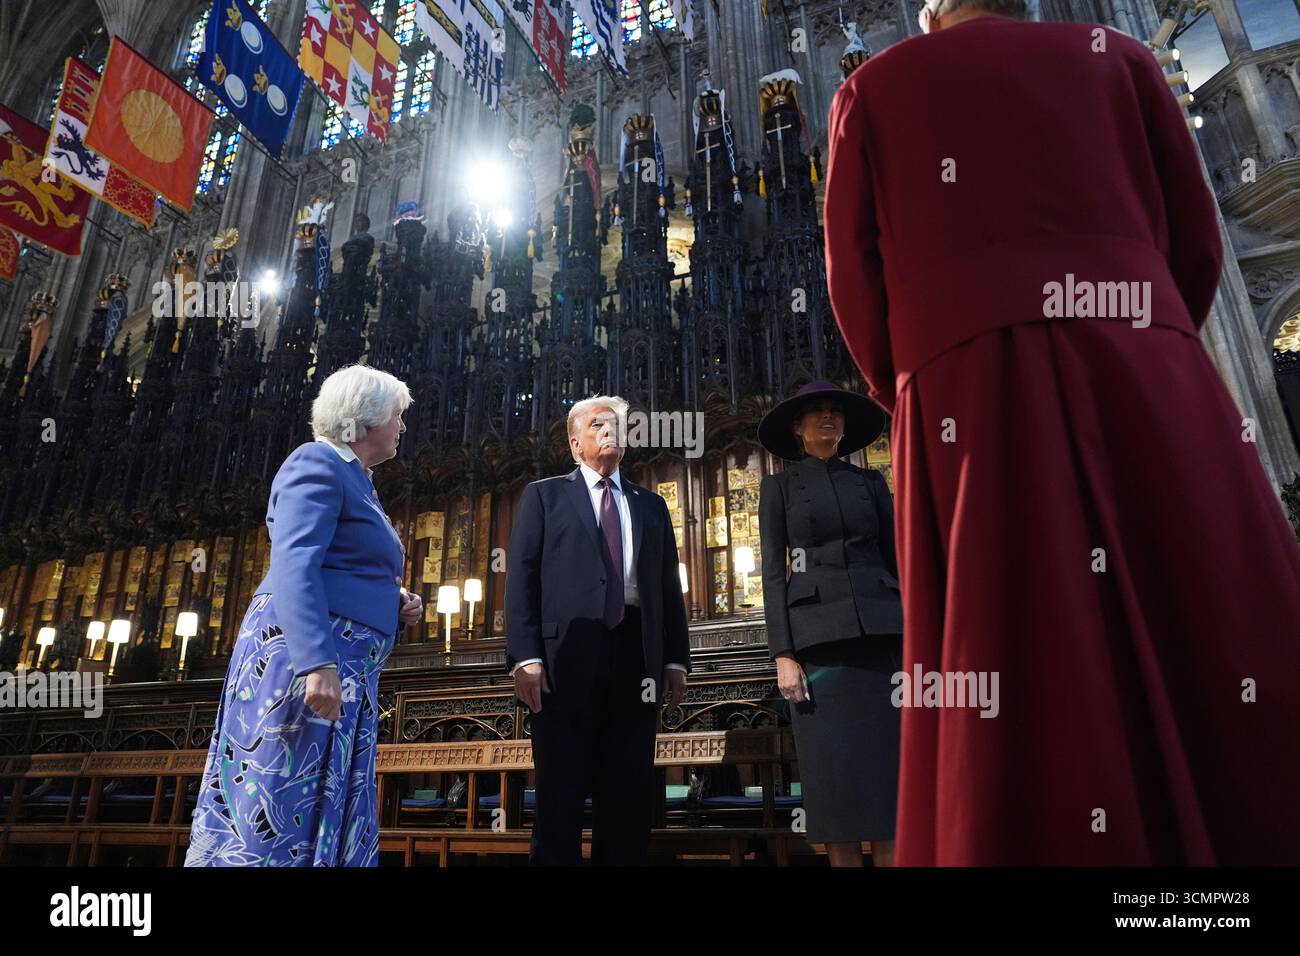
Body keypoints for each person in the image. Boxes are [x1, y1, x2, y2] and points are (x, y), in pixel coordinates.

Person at [823, 0, 1300, 864]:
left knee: (1011, 648)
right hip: (1145, 371)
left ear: (930, 10)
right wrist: (1148, 342)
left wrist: (924, 377)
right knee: (1214, 627)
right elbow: (1196, 241)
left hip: (967, 393)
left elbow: (855, 290)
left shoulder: (872, 89)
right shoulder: (1118, 58)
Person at [186, 365, 422, 866]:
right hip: (301, 658)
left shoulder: (358, 480)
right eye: (398, 416)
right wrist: (317, 663)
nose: (402, 427)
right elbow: (295, 563)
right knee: (278, 787)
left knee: (322, 793)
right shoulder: (316, 462)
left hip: (346, 666)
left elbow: (342, 563)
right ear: (367, 417)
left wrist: (393, 600)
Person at [506, 395, 691, 865]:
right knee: (559, 796)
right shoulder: (544, 496)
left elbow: (668, 586)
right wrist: (525, 657)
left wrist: (674, 659)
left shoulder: (650, 505)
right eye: (596, 424)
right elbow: (522, 580)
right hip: (564, 660)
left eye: (615, 425)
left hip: (636, 656)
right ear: (574, 442)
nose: (608, 430)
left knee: (628, 798)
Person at [758, 380, 901, 867]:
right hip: (816, 644)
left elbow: (896, 559)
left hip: (882, 639)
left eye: (835, 411)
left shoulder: (870, 484)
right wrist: (783, 655)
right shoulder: (778, 488)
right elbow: (773, 575)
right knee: (833, 780)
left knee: (890, 782)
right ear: (797, 428)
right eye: (816, 412)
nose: (827, 417)